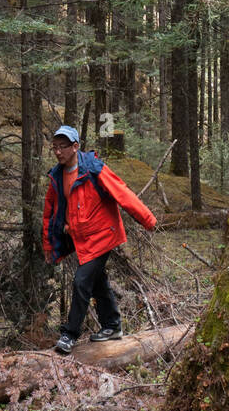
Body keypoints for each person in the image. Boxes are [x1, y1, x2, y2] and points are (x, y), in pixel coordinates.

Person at [42, 124, 157, 354]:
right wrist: (48, 242)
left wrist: (148, 219)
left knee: (81, 281)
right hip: (81, 239)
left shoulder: (94, 168)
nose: (58, 152)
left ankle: (69, 334)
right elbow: (50, 210)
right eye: (54, 147)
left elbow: (122, 193)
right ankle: (112, 325)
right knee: (97, 281)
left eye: (62, 147)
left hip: (103, 235)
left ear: (75, 147)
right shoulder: (57, 175)